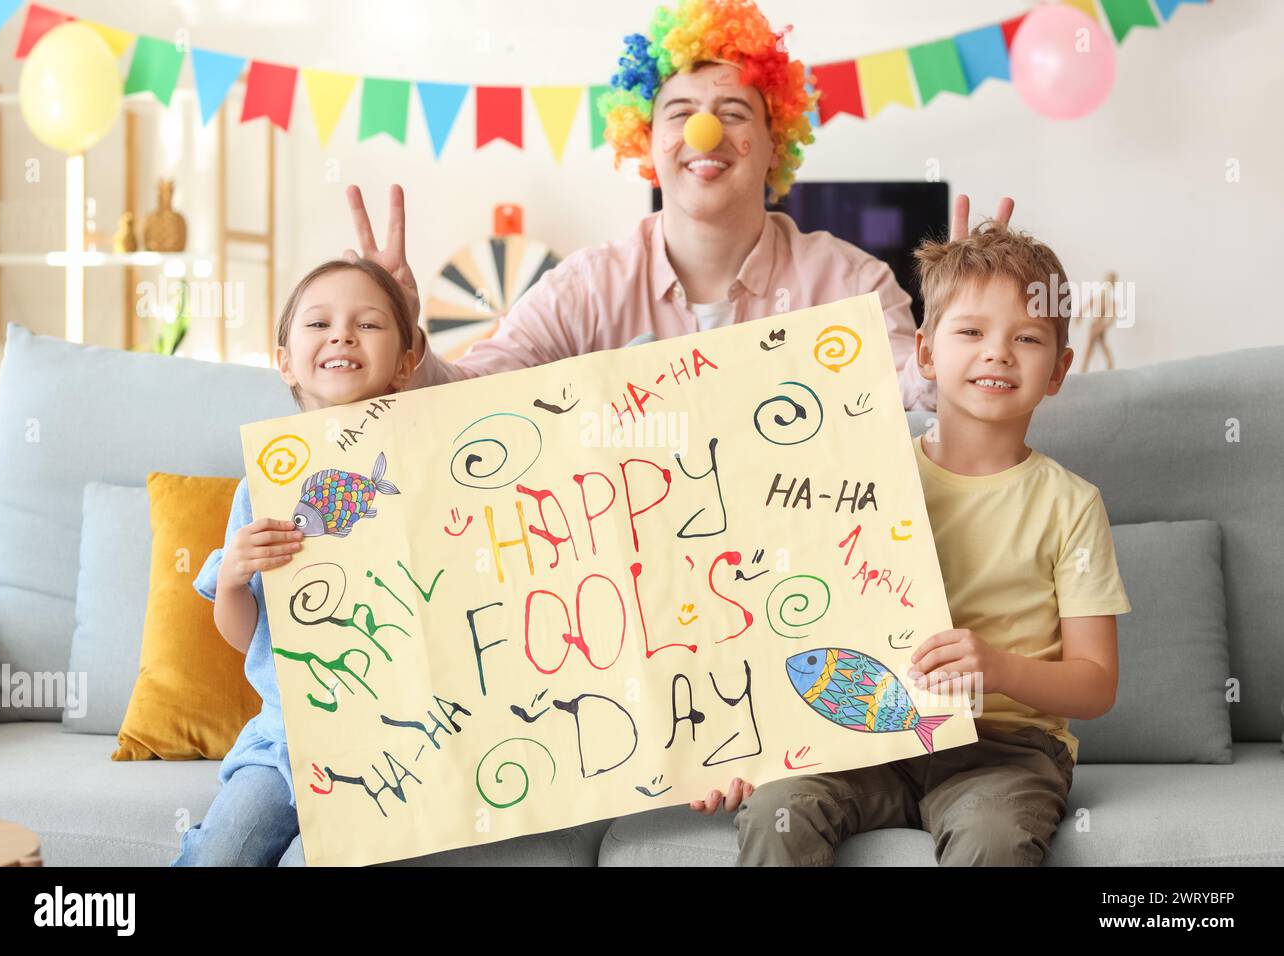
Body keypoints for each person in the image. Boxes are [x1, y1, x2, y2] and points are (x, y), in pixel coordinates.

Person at [341, 0, 1017, 412]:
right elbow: (468, 398)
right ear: (648, 139)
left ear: (773, 140)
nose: (706, 133)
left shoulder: (852, 284)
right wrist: (401, 333)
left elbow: (917, 404)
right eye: (682, 113)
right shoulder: (586, 289)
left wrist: (962, 334)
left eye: (732, 112)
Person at [704, 220, 1132, 866]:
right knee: (775, 811)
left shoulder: (1071, 505)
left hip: (1007, 751)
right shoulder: (866, 477)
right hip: (869, 738)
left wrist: (1000, 668)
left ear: (1059, 368)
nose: (997, 353)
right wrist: (749, 745)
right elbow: (793, 621)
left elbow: (1097, 684)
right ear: (925, 354)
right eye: (971, 332)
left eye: (1027, 337)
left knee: (993, 838)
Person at [172, 258, 418, 865]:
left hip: (395, 745)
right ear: (284, 359)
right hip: (283, 736)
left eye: (369, 324)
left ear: (407, 363)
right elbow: (243, 636)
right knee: (223, 849)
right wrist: (233, 574)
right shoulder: (264, 485)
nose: (342, 335)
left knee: (314, 859)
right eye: (319, 323)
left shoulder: (425, 468)